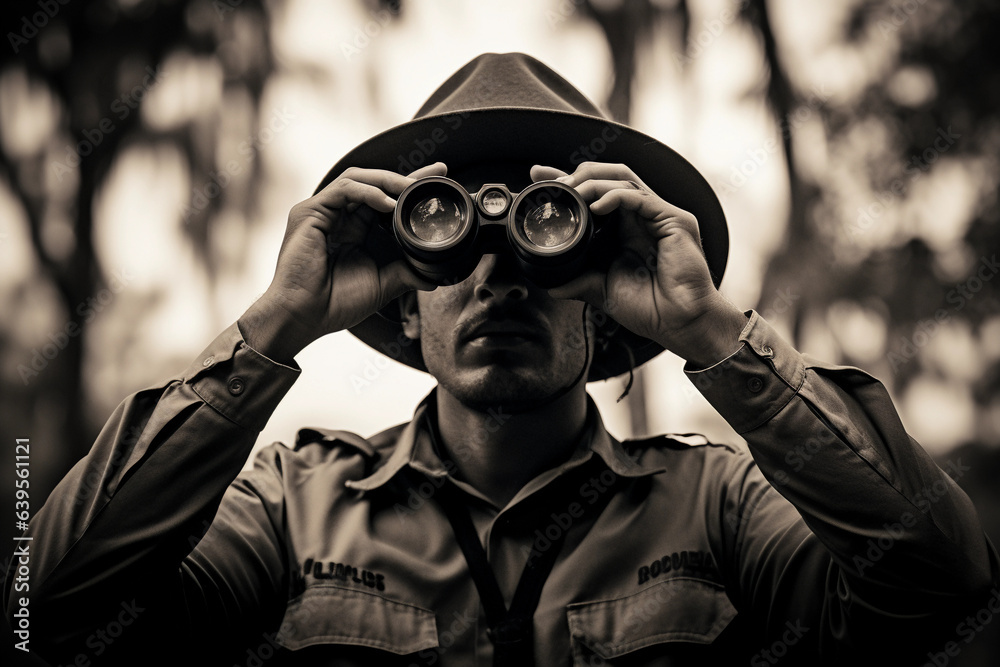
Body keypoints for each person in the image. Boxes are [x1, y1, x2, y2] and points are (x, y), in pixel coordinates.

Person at [6, 52, 997, 667]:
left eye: (541, 238)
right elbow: (50, 611)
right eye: (446, 240)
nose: (496, 281)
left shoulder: (717, 503)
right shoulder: (290, 501)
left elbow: (935, 585)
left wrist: (707, 329)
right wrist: (274, 327)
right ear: (404, 298)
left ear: (603, 313)